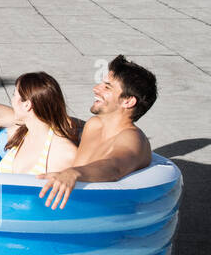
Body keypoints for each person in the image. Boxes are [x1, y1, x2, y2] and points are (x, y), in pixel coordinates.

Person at [38, 55, 157, 209]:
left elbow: (115, 166)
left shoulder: (132, 137)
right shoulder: (94, 125)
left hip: (101, 213)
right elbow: (61, 122)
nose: (96, 88)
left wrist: (73, 173)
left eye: (107, 87)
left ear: (128, 101)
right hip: (71, 207)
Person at [0, 72, 78, 175]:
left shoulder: (64, 152)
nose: (11, 101)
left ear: (27, 105)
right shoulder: (18, 135)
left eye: (14, 95)